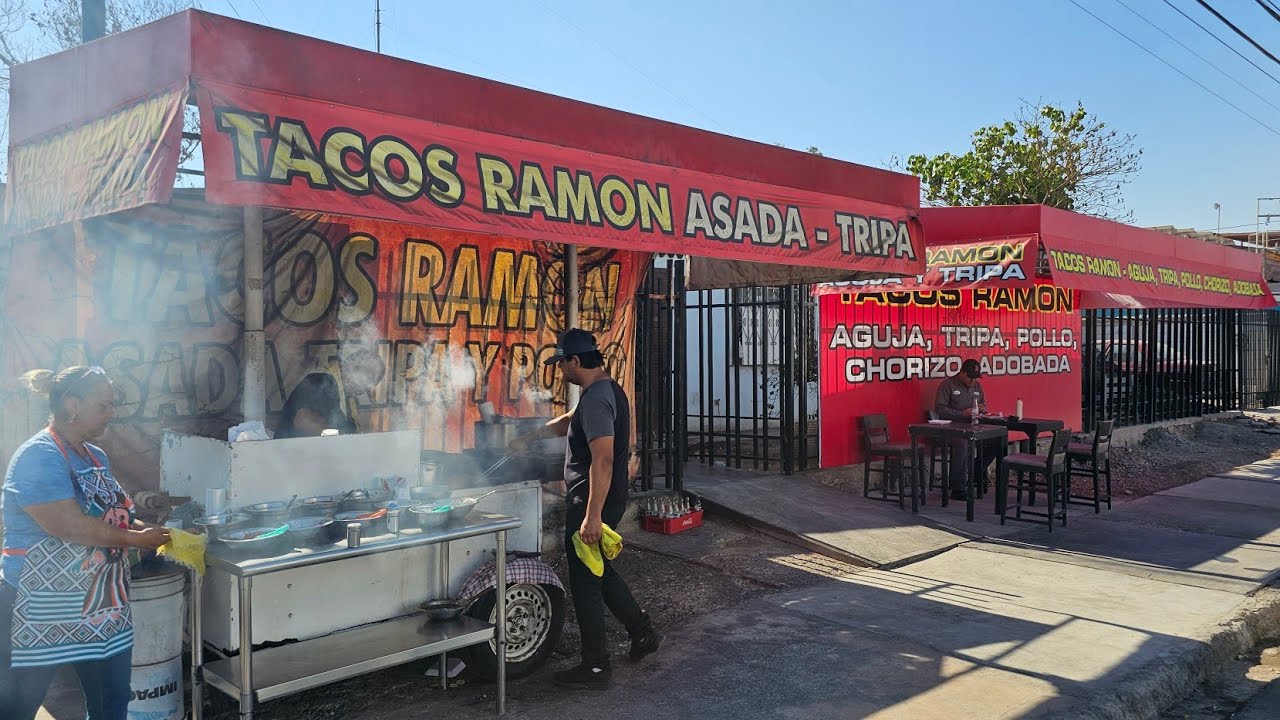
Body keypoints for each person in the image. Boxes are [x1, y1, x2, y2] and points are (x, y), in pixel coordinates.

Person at [1, 366, 171, 720]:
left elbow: (111, 517)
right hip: (40, 606)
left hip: (101, 605)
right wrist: (134, 538)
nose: (111, 413)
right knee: (16, 707)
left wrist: (150, 531)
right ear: (73, 405)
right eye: (103, 405)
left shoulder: (96, 457)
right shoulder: (39, 456)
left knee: (111, 702)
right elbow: (67, 524)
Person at [510, 329, 661, 690]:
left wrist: (592, 516)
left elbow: (603, 459)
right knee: (598, 570)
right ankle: (642, 633)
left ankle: (595, 666)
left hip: (592, 502)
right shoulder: (605, 391)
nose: (560, 370)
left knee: (585, 582)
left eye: (561, 363)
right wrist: (532, 436)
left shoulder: (596, 399)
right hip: (601, 499)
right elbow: (570, 420)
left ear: (575, 361)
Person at [934, 359, 1002, 501]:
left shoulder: (977, 386)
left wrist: (983, 409)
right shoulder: (948, 385)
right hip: (951, 429)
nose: (973, 381)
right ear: (962, 373)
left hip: (974, 426)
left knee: (997, 440)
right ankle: (958, 488)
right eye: (970, 377)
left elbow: (983, 404)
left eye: (976, 378)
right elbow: (940, 409)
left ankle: (976, 472)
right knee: (963, 443)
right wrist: (961, 414)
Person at [276, 372, 357, 439]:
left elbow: (343, 428)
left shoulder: (335, 408)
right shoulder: (319, 383)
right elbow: (302, 421)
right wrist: (335, 433)